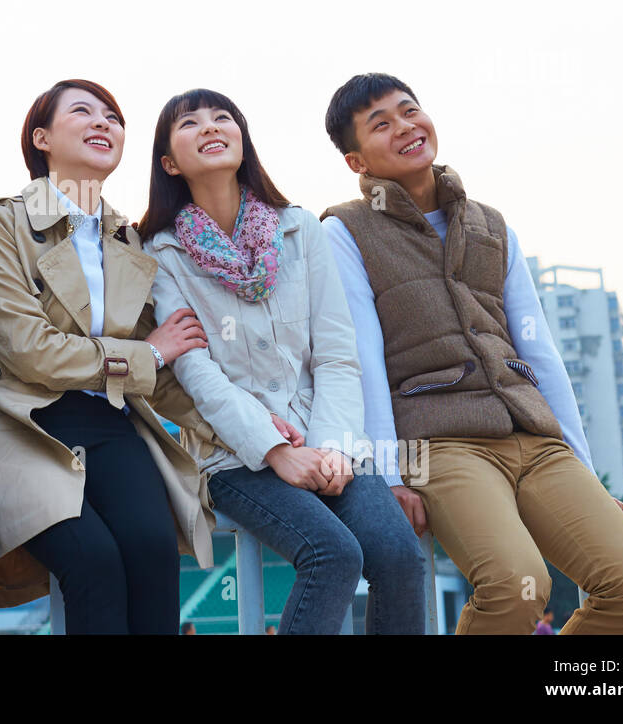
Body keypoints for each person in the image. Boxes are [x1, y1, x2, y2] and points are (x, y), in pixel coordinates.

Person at [319, 72, 623, 634]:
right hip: (437, 444)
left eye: (410, 110)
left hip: (533, 437)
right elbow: (362, 357)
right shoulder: (344, 231)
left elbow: (540, 353)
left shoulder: (491, 226)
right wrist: (388, 478)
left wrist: (581, 465)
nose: (406, 127)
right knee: (516, 582)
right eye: (381, 124)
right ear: (357, 162)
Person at [139, 89, 426, 635]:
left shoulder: (299, 228)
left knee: (398, 557)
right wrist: (276, 452)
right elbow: (197, 373)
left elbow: (337, 355)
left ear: (242, 140)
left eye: (223, 117)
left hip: (328, 435)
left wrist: (330, 448)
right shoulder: (159, 251)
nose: (210, 127)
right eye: (190, 123)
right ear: (170, 162)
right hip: (233, 454)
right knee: (333, 556)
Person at [0, 79, 216, 634]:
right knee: (92, 561)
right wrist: (145, 353)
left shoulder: (127, 240)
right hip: (17, 419)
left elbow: (159, 371)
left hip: (109, 417)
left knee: (152, 550)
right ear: (41, 138)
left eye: (113, 115)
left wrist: (253, 426)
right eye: (83, 112)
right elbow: (29, 351)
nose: (104, 122)